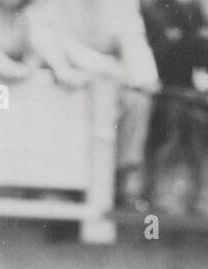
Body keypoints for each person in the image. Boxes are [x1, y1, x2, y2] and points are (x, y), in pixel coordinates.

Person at [37, 0, 160, 209]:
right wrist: (102, 66)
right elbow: (61, 41)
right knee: (62, 97)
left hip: (106, 77)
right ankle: (59, 185)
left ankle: (123, 180)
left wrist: (145, 76)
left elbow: (133, 41)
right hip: (63, 71)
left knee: (138, 98)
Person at [141, 0, 208, 215]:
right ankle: (162, 195)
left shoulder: (197, 47)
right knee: (174, 132)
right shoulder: (174, 47)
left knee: (192, 129)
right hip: (173, 104)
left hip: (192, 106)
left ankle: (198, 195)